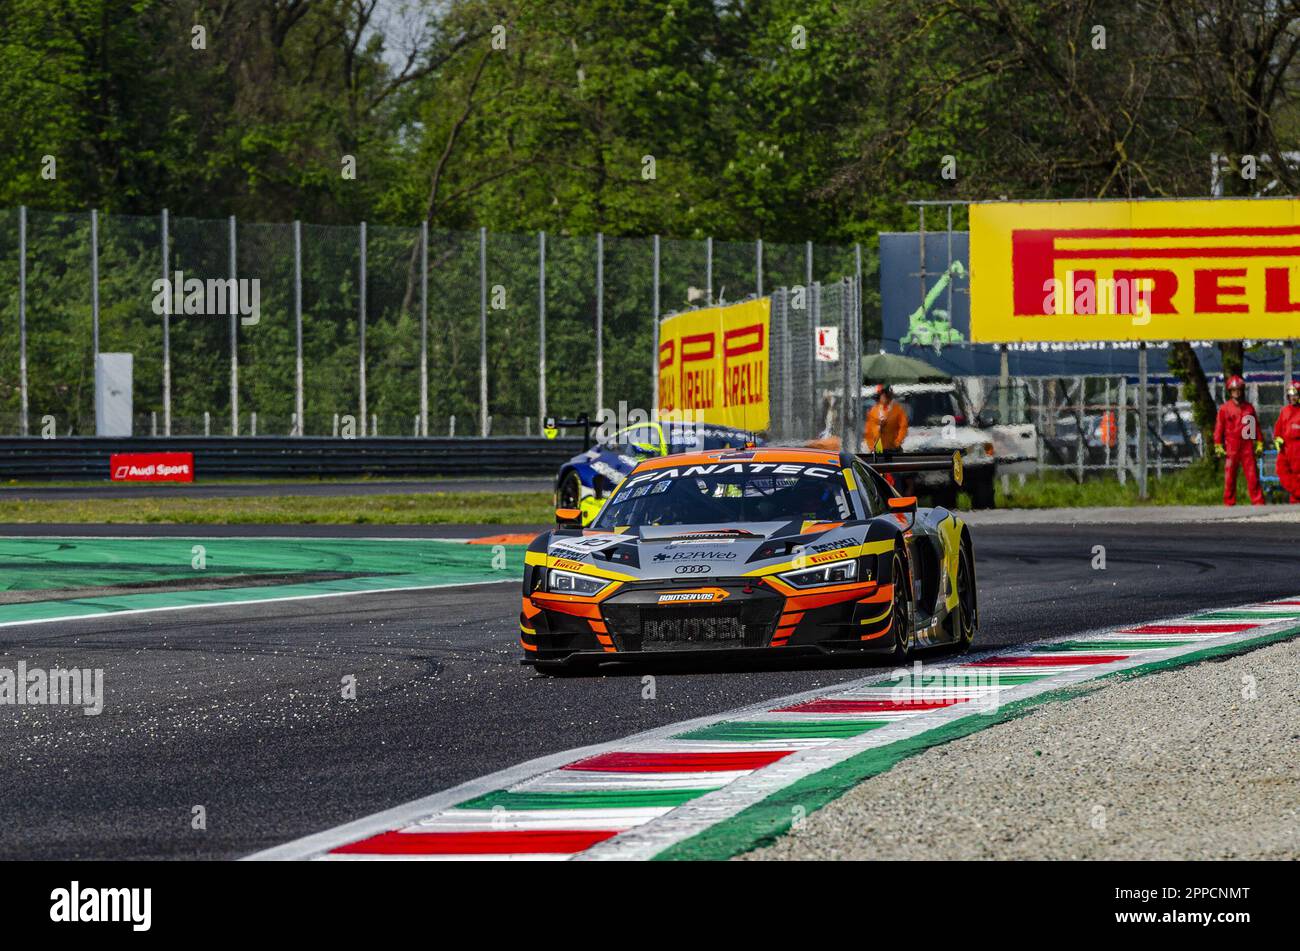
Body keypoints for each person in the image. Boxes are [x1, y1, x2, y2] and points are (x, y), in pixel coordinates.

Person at [1213, 375, 1264, 506]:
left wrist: (1259, 442)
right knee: (1230, 477)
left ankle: (1258, 502)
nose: (1237, 392)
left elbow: (1255, 427)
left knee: (1253, 477)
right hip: (1232, 446)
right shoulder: (1224, 409)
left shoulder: (1249, 408)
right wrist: (1218, 445)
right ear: (1229, 391)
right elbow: (1219, 428)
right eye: (1234, 389)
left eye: (1239, 389)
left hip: (1247, 446)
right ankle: (1229, 502)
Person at [1274, 380, 1300, 504]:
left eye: (1296, 394)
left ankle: (1295, 501)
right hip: (1285, 448)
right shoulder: (1284, 411)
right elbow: (1278, 428)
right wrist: (1278, 438)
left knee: (1297, 475)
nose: (1293, 397)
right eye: (1291, 394)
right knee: (1282, 471)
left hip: (1298, 448)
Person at [863, 384, 909, 452]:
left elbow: (903, 427)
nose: (884, 397)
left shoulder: (897, 410)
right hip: (878, 448)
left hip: (893, 448)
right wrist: (871, 446)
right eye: (882, 395)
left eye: (886, 395)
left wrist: (897, 442)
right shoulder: (874, 411)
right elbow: (868, 431)